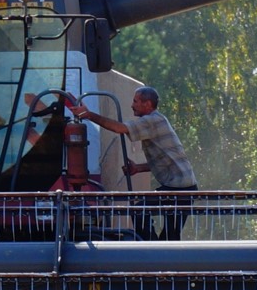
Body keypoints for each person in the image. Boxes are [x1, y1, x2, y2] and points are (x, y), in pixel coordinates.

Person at [63, 85, 197, 238]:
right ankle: (159, 253)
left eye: (136, 101)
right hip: (181, 185)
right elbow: (166, 161)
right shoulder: (156, 121)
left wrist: (89, 115)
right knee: (169, 232)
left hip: (179, 187)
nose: (132, 105)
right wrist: (138, 168)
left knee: (141, 211)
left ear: (147, 104)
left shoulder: (152, 120)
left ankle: (150, 249)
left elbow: (119, 128)